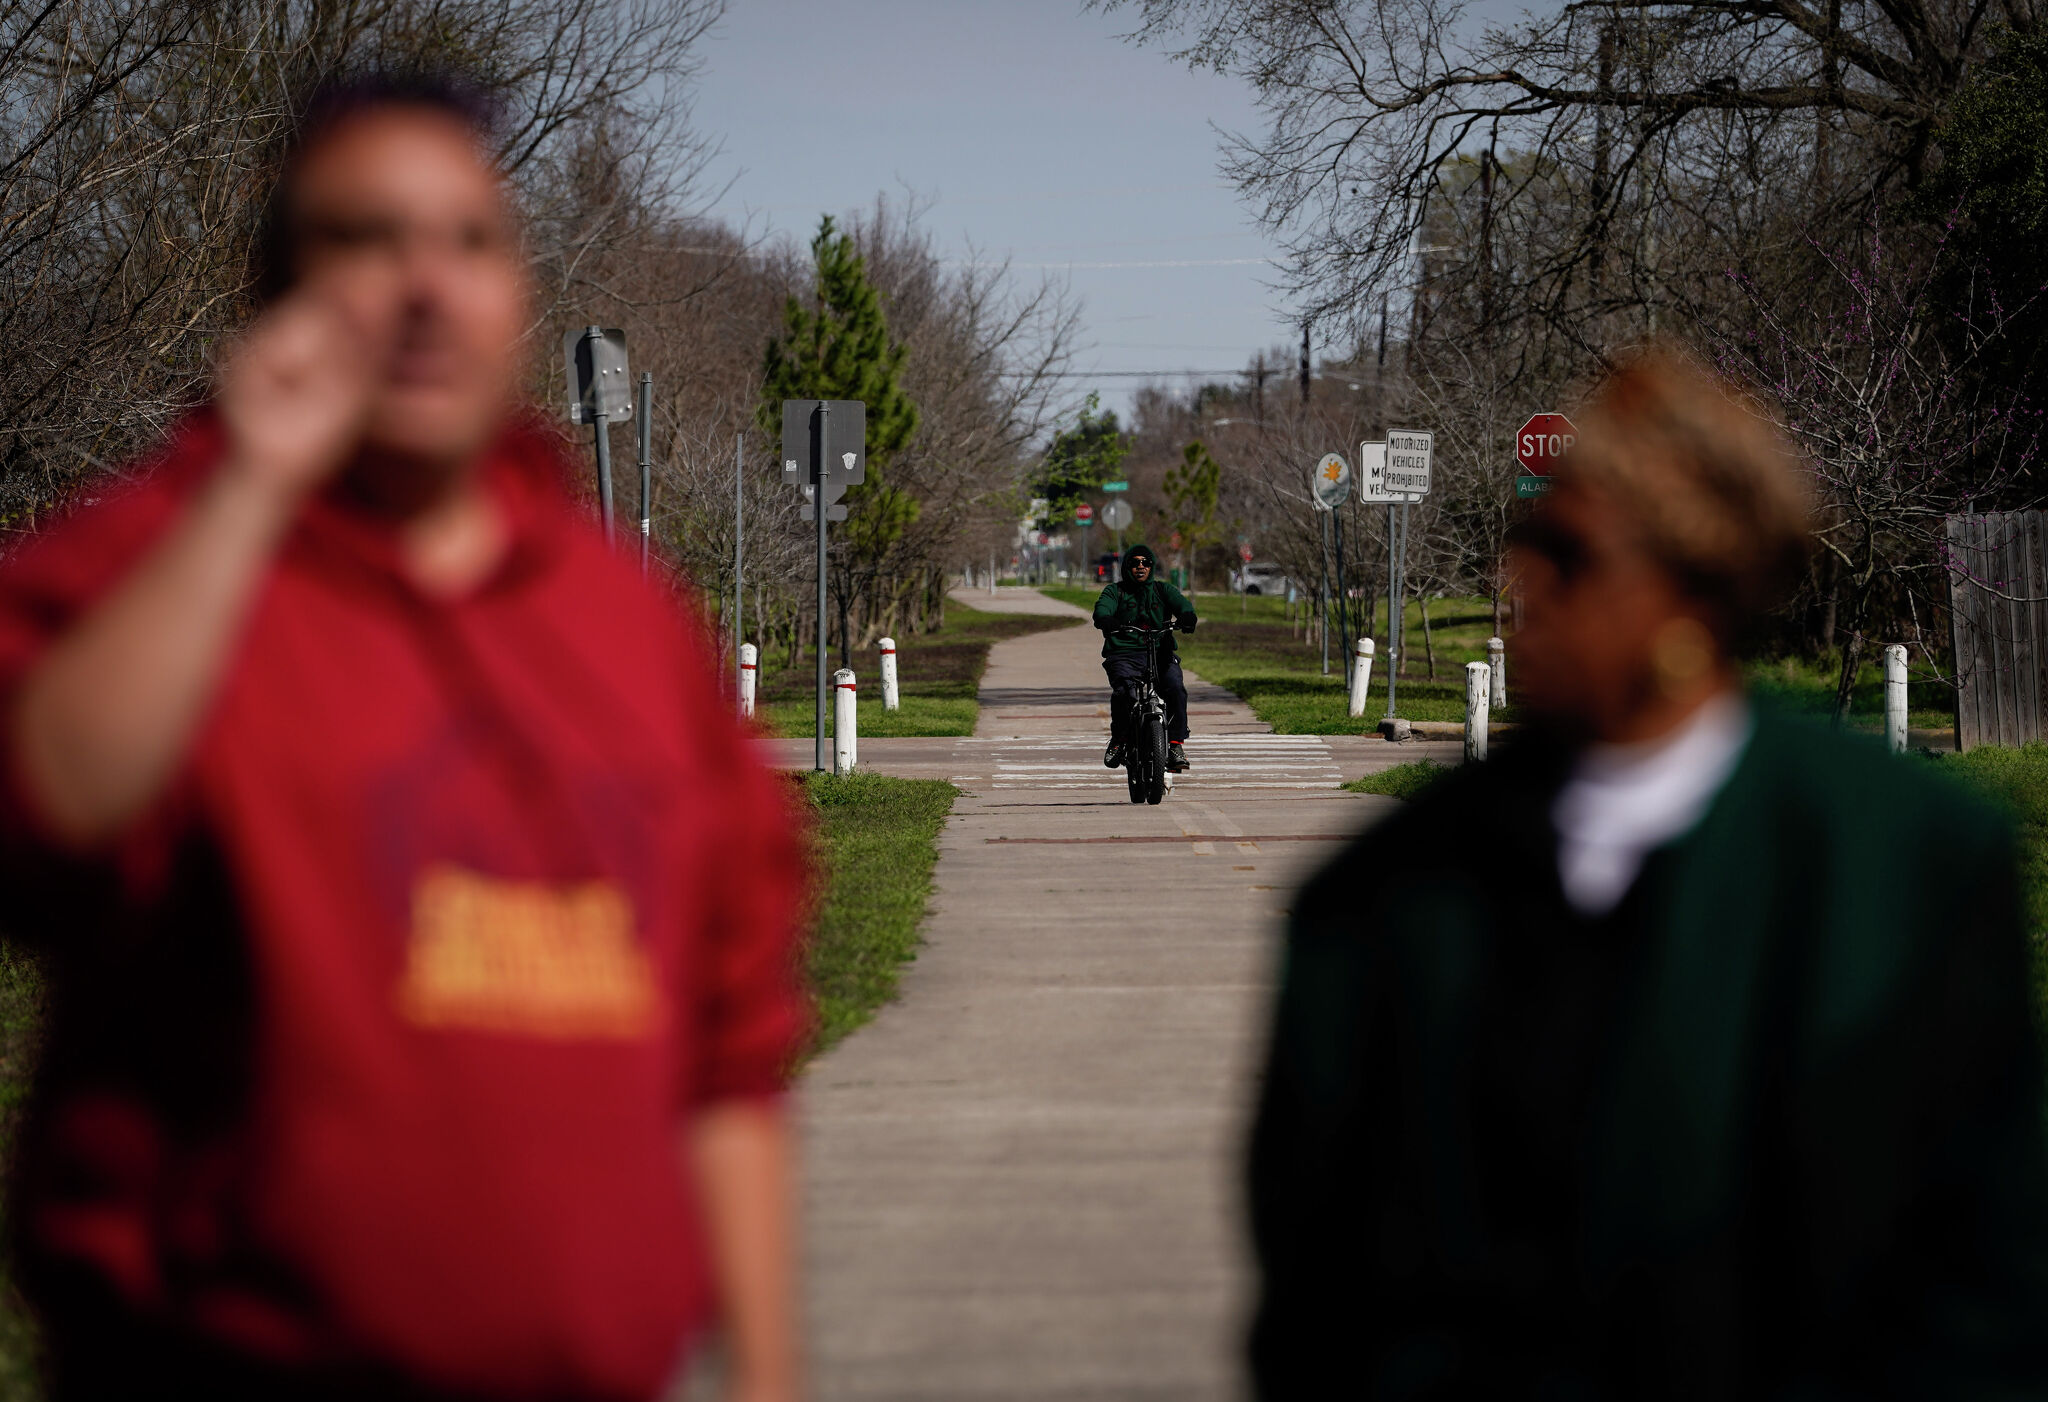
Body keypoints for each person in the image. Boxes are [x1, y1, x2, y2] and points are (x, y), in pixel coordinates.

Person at [0, 75, 804, 1402]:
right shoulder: (153, 563)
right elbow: (44, 814)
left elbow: (731, 1053)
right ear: (278, 290)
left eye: (471, 241)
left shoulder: (628, 621)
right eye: (368, 239)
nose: (427, 285)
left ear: (517, 296)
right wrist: (250, 486)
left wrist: (771, 1377)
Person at [1248, 352, 2048, 1398]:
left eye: (1570, 557)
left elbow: (1983, 1271)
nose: (1522, 592)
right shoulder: (1379, 898)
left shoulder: (1903, 864)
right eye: (1520, 549)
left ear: (1691, 585)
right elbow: (1317, 1295)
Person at [1092, 543, 1197, 772]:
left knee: (1176, 688)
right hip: (1123, 654)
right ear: (1127, 567)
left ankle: (1176, 744)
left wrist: (1187, 616)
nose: (1140, 567)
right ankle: (1119, 740)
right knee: (1124, 693)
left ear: (1152, 566)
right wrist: (1106, 619)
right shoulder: (1115, 591)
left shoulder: (1163, 590)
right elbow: (1102, 609)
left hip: (1160, 653)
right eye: (1135, 562)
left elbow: (1182, 605)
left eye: (1145, 562)